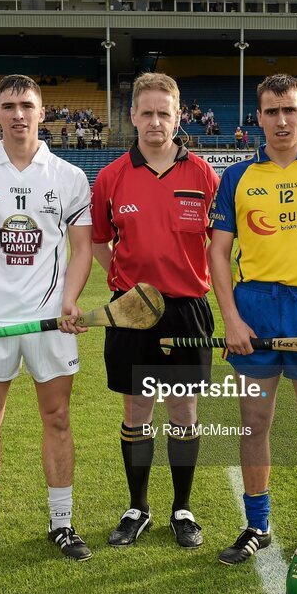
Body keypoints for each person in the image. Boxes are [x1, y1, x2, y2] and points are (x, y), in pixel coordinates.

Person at [0, 74, 94, 563]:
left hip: (50, 322)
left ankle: (62, 522)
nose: (17, 114)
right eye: (7, 105)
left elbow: (81, 249)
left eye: (26, 105)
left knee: (57, 418)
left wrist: (70, 301)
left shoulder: (69, 177)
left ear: (42, 113)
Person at [209, 73, 297, 565]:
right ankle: (256, 524)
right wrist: (230, 318)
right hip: (253, 312)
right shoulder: (237, 177)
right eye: (271, 111)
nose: (281, 120)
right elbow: (218, 253)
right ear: (258, 118)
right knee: (253, 424)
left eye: (289, 109)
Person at [90, 72, 220, 548]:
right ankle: (138, 507)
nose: (154, 122)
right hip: (132, 312)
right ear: (133, 117)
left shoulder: (203, 174)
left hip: (187, 309)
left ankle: (182, 509)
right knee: (136, 411)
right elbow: (101, 242)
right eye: (146, 113)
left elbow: (219, 245)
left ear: (178, 116)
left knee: (184, 410)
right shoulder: (111, 177)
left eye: (163, 113)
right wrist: (125, 285)